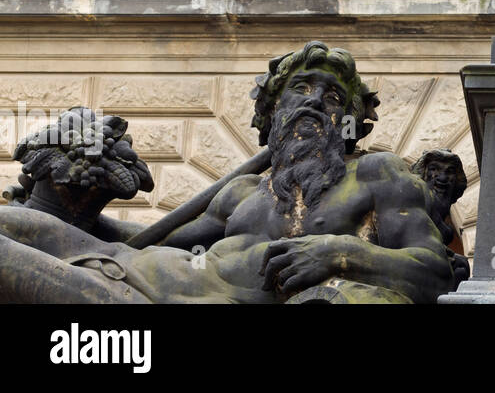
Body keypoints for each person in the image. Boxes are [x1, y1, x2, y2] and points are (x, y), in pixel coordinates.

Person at [0, 42, 454, 303]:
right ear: (274, 110)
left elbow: (435, 272)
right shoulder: (242, 192)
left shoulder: (376, 174)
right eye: (301, 89)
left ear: (350, 122)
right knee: (19, 224)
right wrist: (73, 207)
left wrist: (339, 254)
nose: (316, 100)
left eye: (334, 97)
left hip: (155, 303)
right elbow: (144, 242)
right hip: (145, 272)